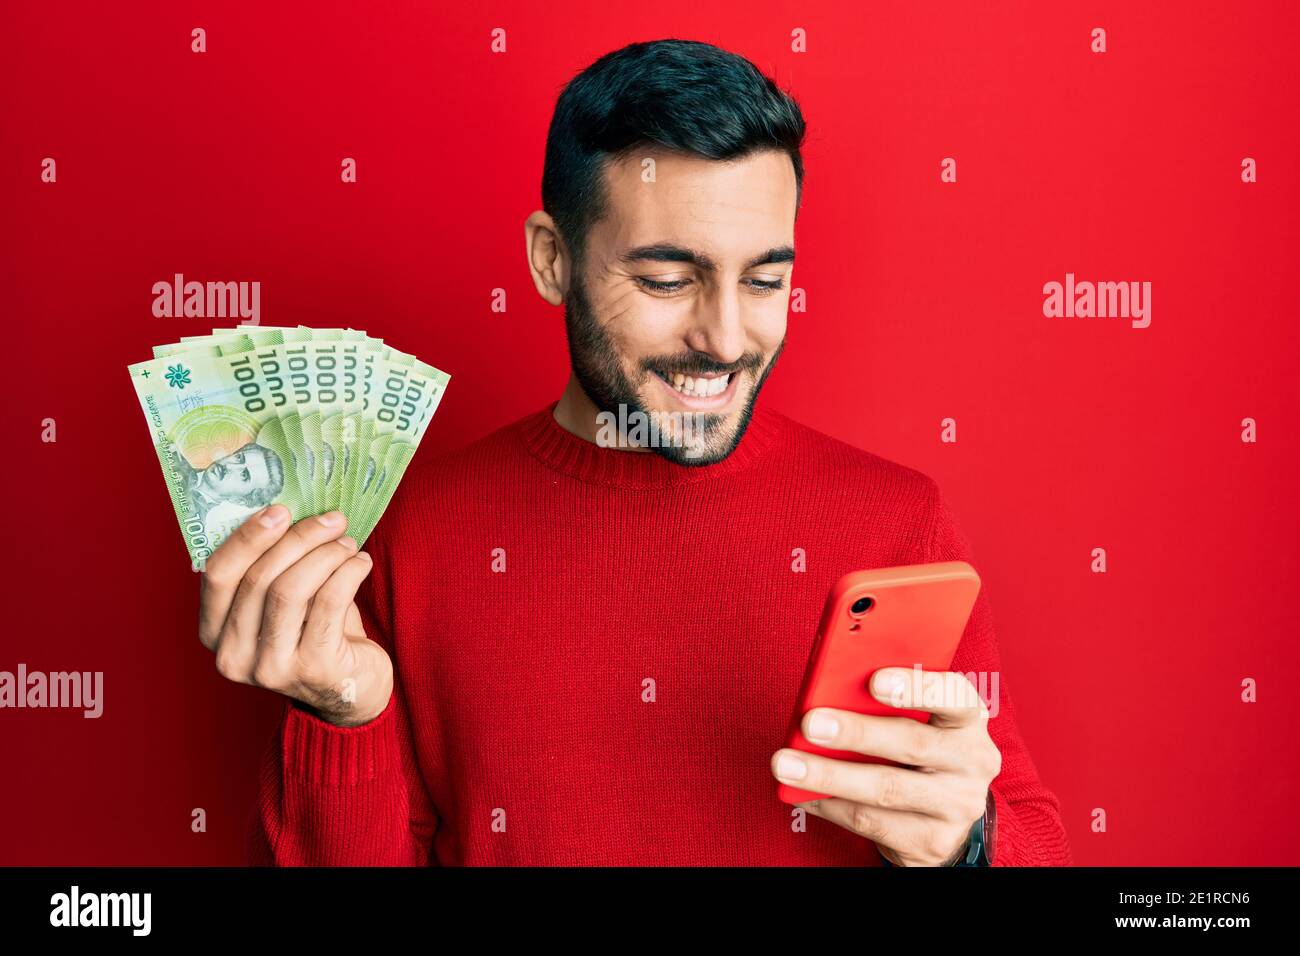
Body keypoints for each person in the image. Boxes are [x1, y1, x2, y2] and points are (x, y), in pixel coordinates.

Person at [199, 39, 1071, 866]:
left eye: (765, 280)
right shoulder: (413, 535)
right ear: (552, 260)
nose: (726, 337)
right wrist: (338, 719)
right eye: (666, 280)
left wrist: (967, 844)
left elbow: (1033, 833)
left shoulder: (895, 520)